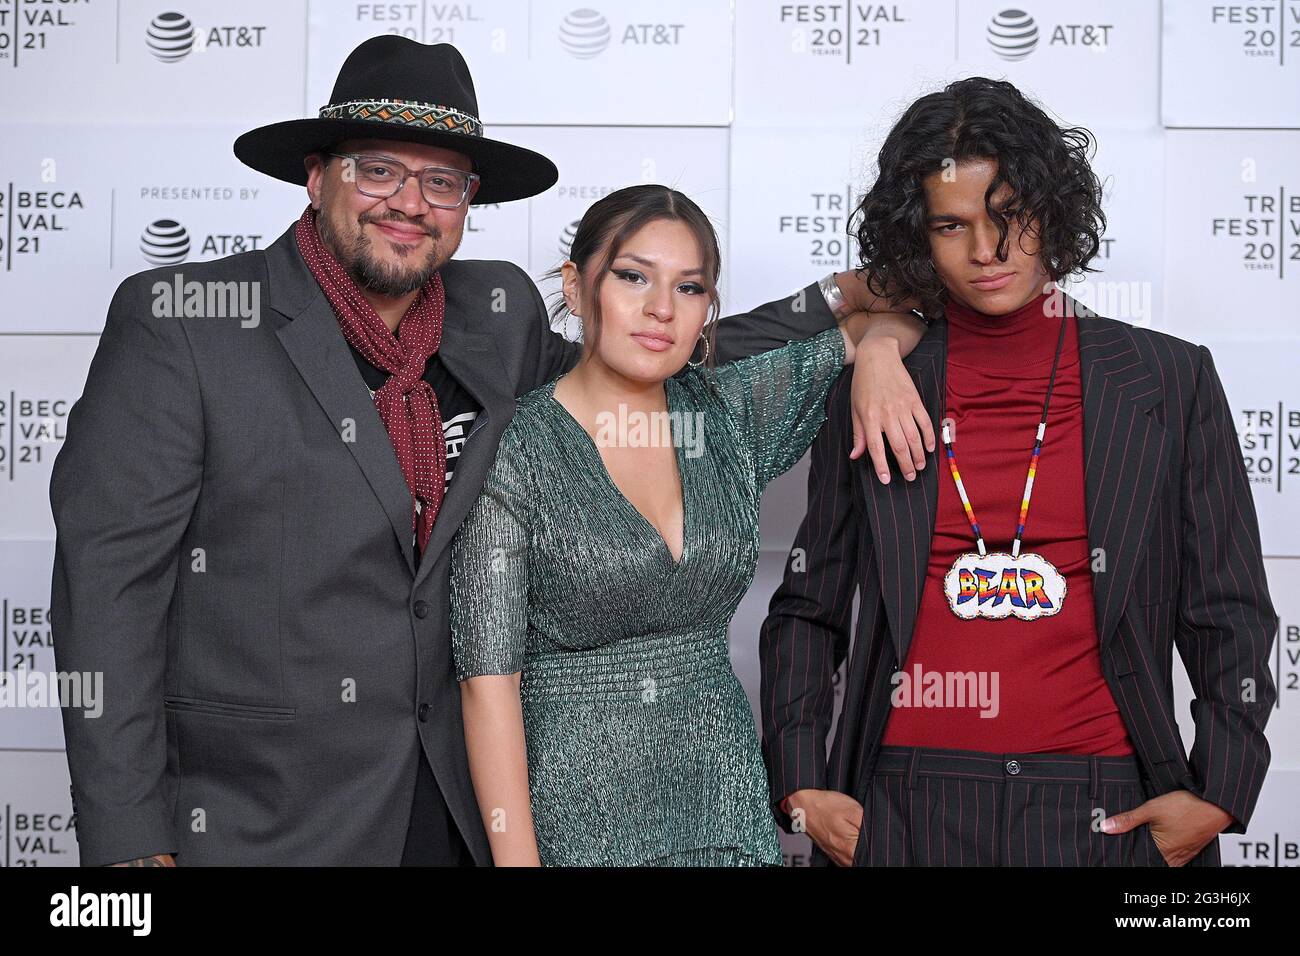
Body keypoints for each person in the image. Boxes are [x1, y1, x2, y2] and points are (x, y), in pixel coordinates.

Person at [48, 36, 923, 866]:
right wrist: (130, 841)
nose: (409, 203)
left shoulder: (492, 315)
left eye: (442, 182)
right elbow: (107, 594)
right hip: (264, 817)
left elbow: (646, 360)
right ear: (315, 178)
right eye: (377, 170)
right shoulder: (188, 325)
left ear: (469, 204)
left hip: (462, 808)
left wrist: (856, 313)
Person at [761, 76, 1279, 867]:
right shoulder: (876, 385)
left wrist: (1220, 792)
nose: (986, 252)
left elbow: (1230, 610)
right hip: (904, 802)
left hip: (1112, 807)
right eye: (951, 225)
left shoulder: (1169, 381)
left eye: (1011, 217)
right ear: (916, 237)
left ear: (1053, 208)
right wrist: (801, 786)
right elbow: (808, 605)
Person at [449, 184, 926, 866]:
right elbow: (487, 684)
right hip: (578, 824)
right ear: (577, 287)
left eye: (690, 287)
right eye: (633, 276)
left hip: (724, 808)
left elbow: (899, 320)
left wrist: (874, 353)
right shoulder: (515, 451)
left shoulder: (726, 412)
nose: (661, 310)